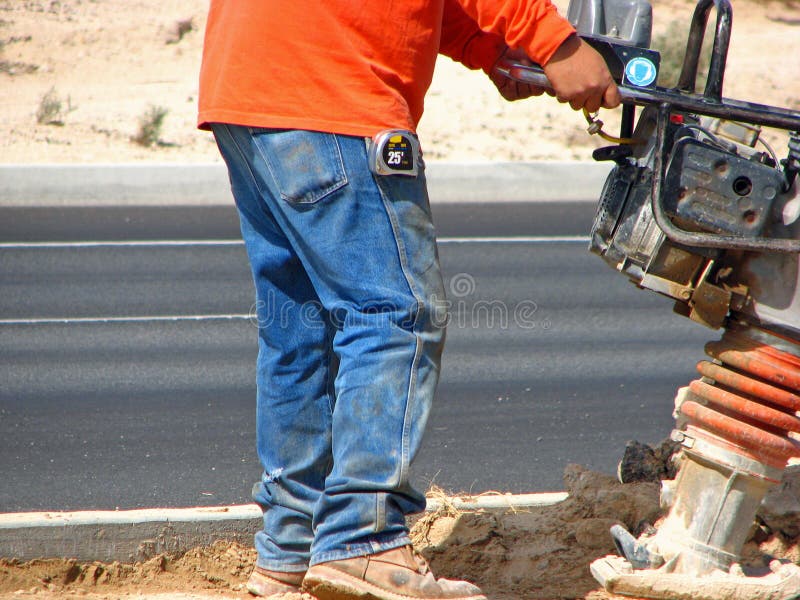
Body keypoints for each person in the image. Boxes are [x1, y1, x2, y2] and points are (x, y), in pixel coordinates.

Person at [198, 2, 619, 599]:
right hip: (332, 91)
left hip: (250, 87)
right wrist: (559, 45)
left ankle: (290, 547)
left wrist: (491, 50)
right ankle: (361, 540)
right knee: (395, 315)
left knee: (300, 328)